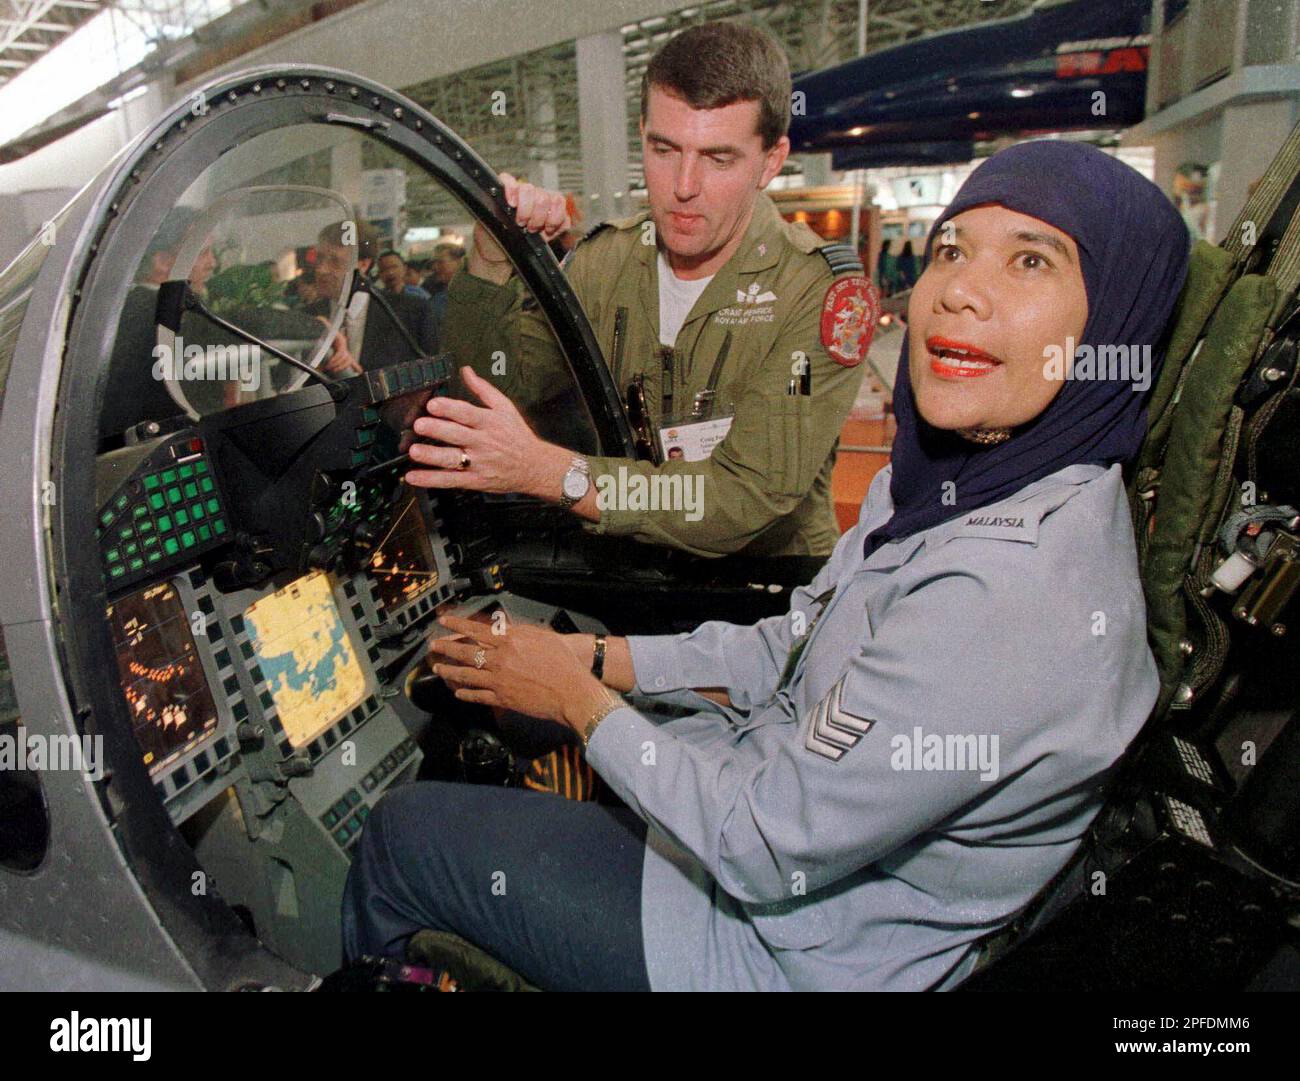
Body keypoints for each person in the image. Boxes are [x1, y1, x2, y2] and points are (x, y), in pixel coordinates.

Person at [341, 140, 1191, 991]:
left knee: (401, 834)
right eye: (952, 250)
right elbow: (798, 639)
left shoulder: (1007, 589)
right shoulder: (956, 477)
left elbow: (746, 506)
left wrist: (577, 677)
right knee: (516, 718)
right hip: (765, 787)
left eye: (1031, 261)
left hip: (770, 935)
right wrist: (600, 662)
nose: (961, 289)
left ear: (770, 161)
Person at [407, 21, 875, 559]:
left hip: (764, 600)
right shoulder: (605, 263)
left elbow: (738, 499)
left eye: (718, 158)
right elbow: (493, 391)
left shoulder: (820, 293)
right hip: (636, 576)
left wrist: (557, 474)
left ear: (771, 160)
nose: (682, 186)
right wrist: (491, 258)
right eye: (663, 149)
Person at [311, 222, 438, 375]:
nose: (321, 269)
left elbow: (432, 375)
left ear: (363, 264)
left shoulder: (411, 312)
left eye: (335, 261)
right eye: (319, 259)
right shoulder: (309, 319)